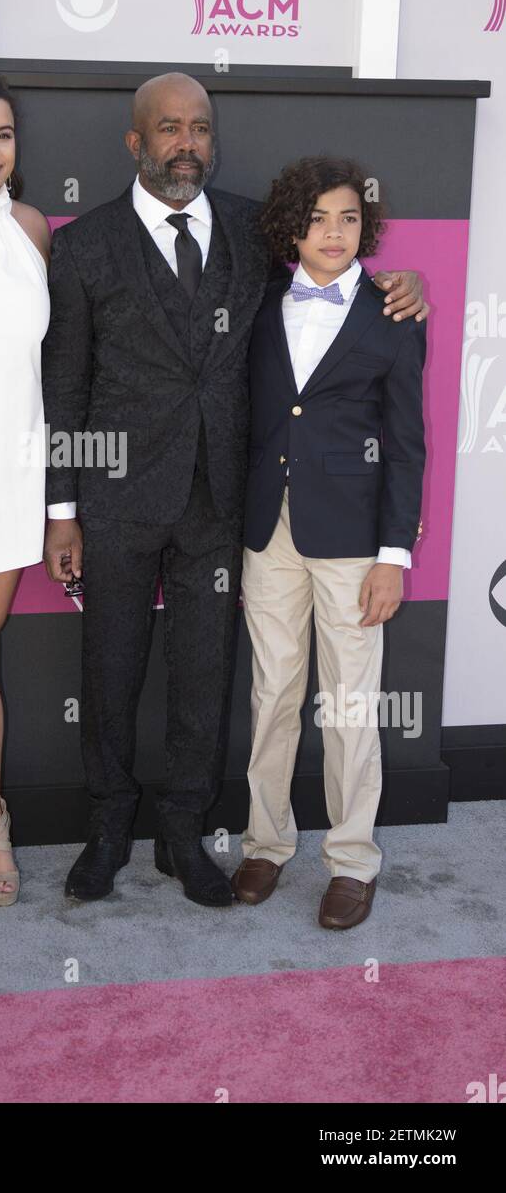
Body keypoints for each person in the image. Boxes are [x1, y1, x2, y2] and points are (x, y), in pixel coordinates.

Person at [41, 71, 429, 907]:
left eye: (200, 128)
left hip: (224, 502)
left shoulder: (258, 231)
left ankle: (183, 832)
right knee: (109, 670)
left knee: (206, 677)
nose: (187, 142)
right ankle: (108, 828)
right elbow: (65, 388)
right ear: (135, 143)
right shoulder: (82, 246)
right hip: (115, 499)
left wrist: (408, 284)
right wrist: (62, 509)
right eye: (169, 128)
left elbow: (343, 274)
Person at [232, 157, 426, 929]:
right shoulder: (259, 300)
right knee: (271, 692)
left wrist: (392, 556)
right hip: (265, 529)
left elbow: (406, 442)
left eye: (347, 217)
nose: (333, 232)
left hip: (351, 539)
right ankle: (264, 843)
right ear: (290, 229)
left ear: (366, 226)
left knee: (349, 702)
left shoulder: (395, 312)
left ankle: (351, 860)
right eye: (316, 218)